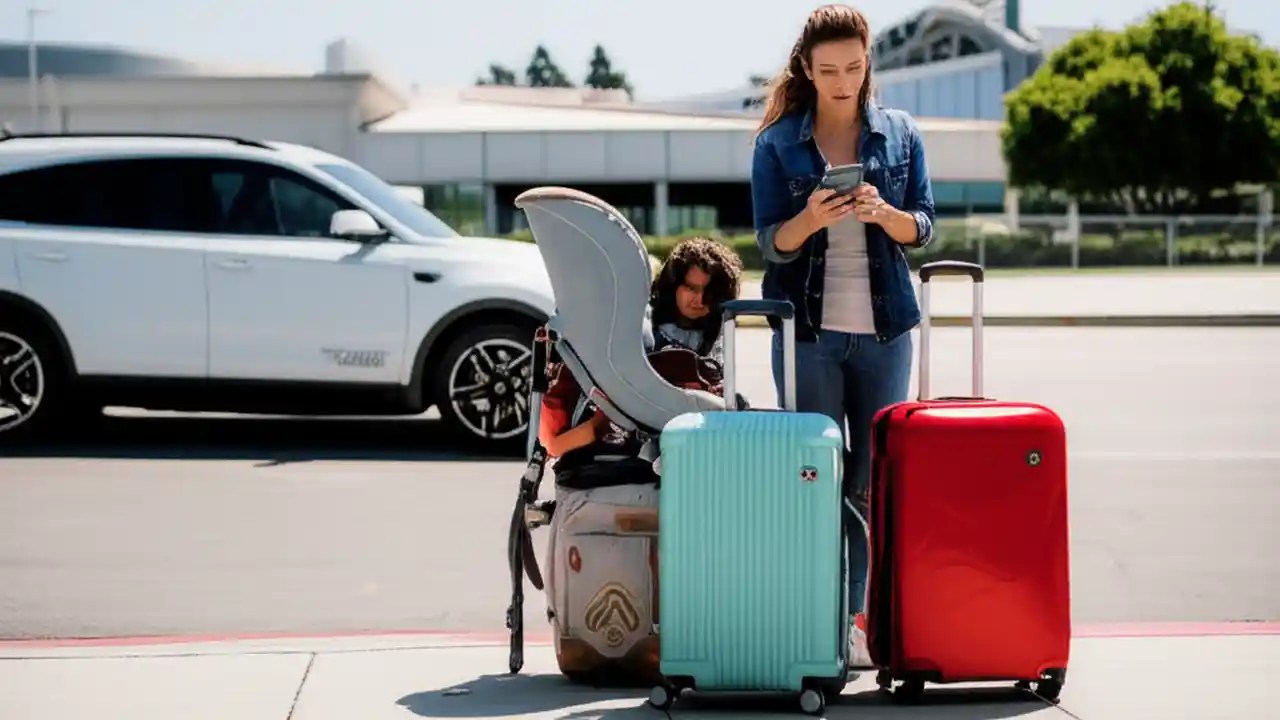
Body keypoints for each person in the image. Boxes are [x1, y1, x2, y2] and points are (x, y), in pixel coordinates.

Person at [749, 3, 937, 668]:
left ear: (868, 63)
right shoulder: (776, 144)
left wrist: (885, 214)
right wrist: (810, 218)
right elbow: (771, 242)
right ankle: (815, 620)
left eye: (854, 67)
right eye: (828, 69)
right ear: (806, 67)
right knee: (813, 479)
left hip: (885, 332)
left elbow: (925, 227)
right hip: (808, 334)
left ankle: (859, 624)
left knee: (868, 483)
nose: (843, 80)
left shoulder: (901, 133)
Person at [539, 236, 744, 485]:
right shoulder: (641, 322)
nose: (699, 300)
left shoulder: (718, 331)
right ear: (674, 285)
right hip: (627, 420)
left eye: (708, 292)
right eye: (691, 288)